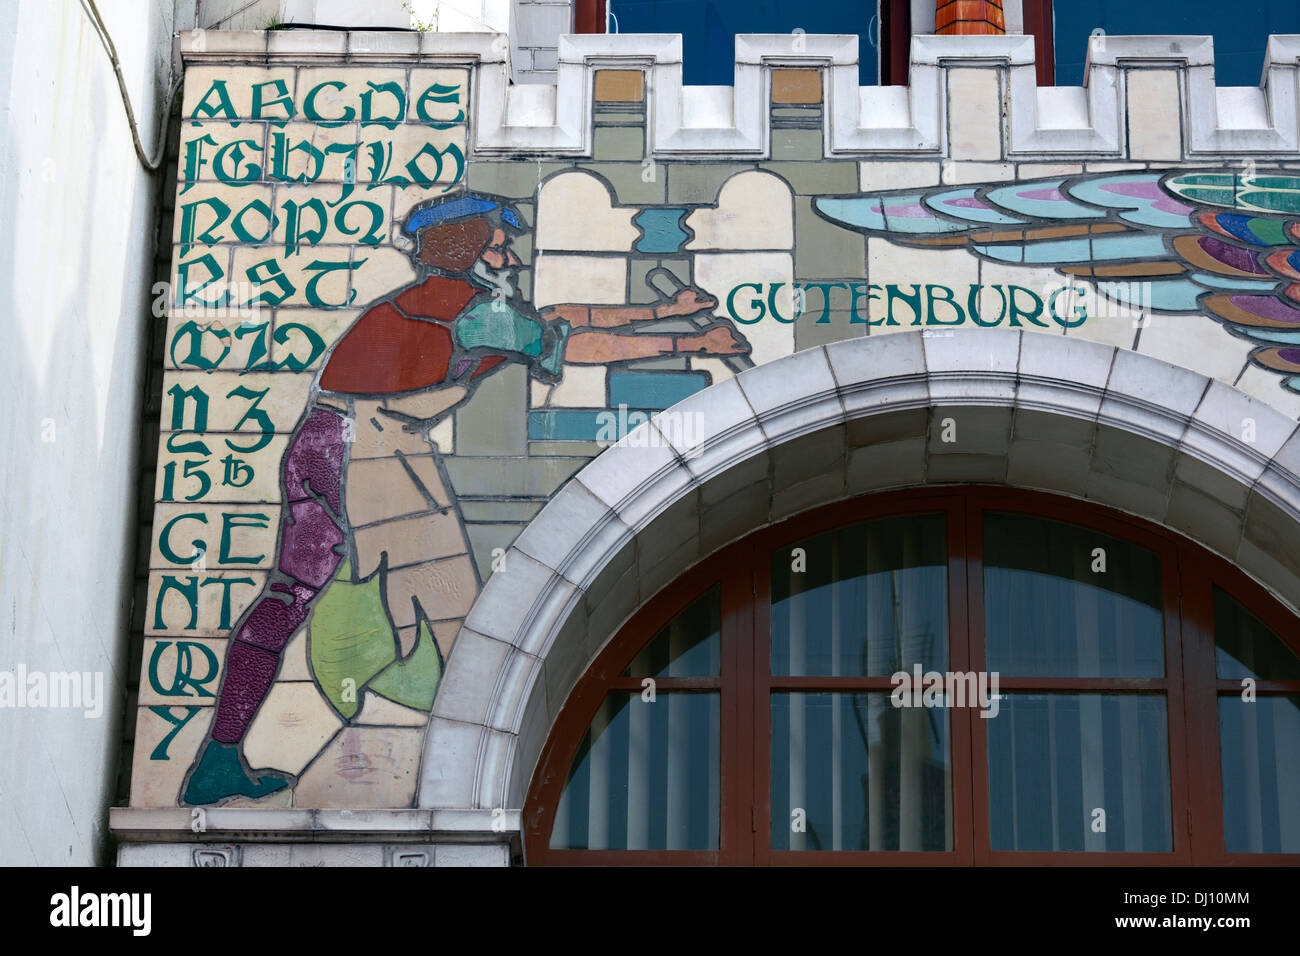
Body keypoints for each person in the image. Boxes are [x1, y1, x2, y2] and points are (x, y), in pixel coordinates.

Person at [180, 192, 749, 805]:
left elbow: (557, 317)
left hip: (320, 439)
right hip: (374, 451)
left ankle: (221, 757)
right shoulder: (478, 314)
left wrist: (661, 310)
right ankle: (433, 777)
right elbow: (575, 345)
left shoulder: (447, 303)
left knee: (292, 598)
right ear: (467, 248)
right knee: (449, 612)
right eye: (497, 243)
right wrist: (693, 346)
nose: (509, 255)